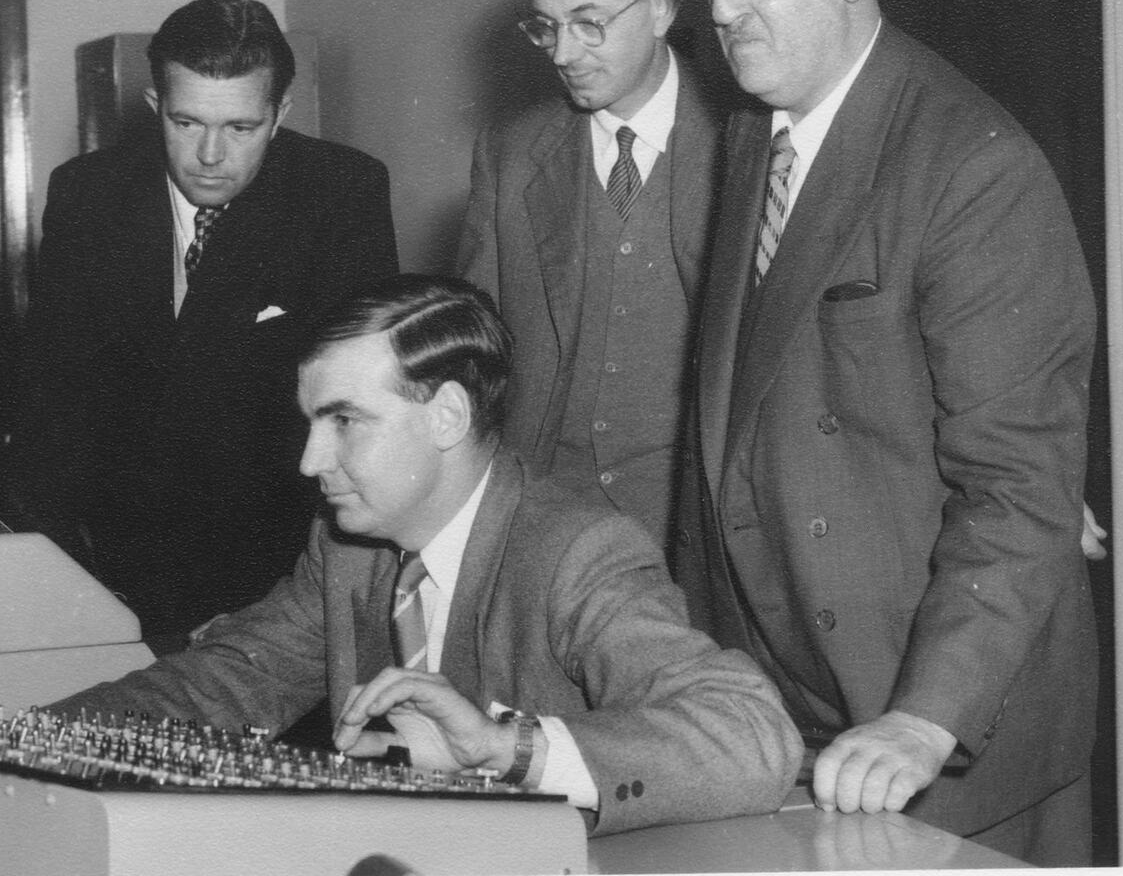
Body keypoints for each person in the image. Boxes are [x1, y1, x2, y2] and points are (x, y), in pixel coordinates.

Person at [674, 0, 1099, 865]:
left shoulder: (974, 165)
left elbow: (1020, 486)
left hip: (941, 739)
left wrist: (924, 717)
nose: (722, 9)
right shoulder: (754, 131)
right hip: (793, 713)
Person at [46, 274, 802, 835]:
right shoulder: (349, 549)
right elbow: (223, 681)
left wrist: (502, 747)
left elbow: (751, 736)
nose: (311, 461)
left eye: (345, 421)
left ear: (446, 415)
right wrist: (21, 739)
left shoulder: (577, 552)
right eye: (312, 422)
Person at [12, 0, 398, 643]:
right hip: (113, 565)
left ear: (280, 115)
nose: (210, 155)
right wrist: (60, 573)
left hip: (273, 568)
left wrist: (294, 600)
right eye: (187, 123)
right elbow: (48, 403)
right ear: (155, 105)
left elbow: (359, 413)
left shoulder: (341, 195)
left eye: (241, 128)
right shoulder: (87, 194)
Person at [456, 0, 725, 544]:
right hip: (548, 530)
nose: (562, 53)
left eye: (588, 22)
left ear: (662, 6)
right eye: (545, 26)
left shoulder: (746, 143)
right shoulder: (512, 155)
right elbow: (471, 361)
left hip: (701, 536)